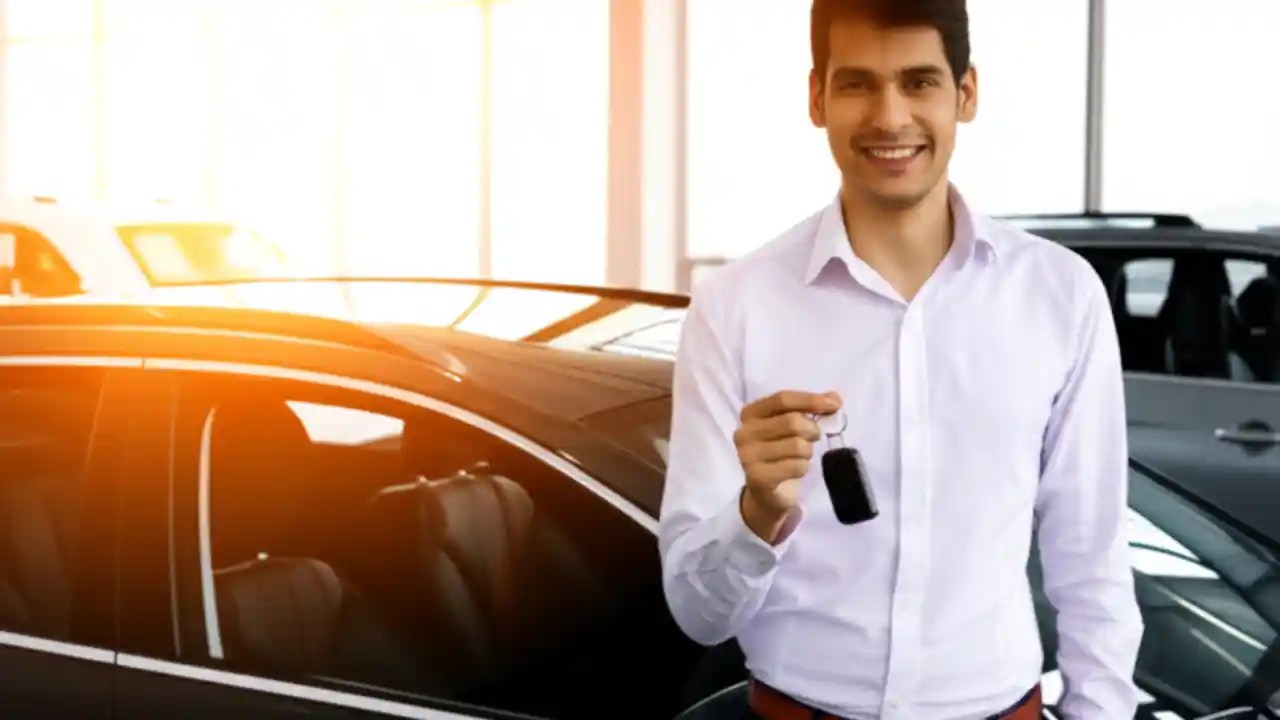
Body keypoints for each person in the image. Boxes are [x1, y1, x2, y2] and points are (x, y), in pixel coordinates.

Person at [658, 1, 1145, 718]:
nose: (889, 117)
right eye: (858, 84)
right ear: (817, 97)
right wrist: (755, 512)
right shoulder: (734, 306)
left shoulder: (1061, 296)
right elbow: (700, 617)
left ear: (965, 93)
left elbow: (1093, 559)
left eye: (919, 82)